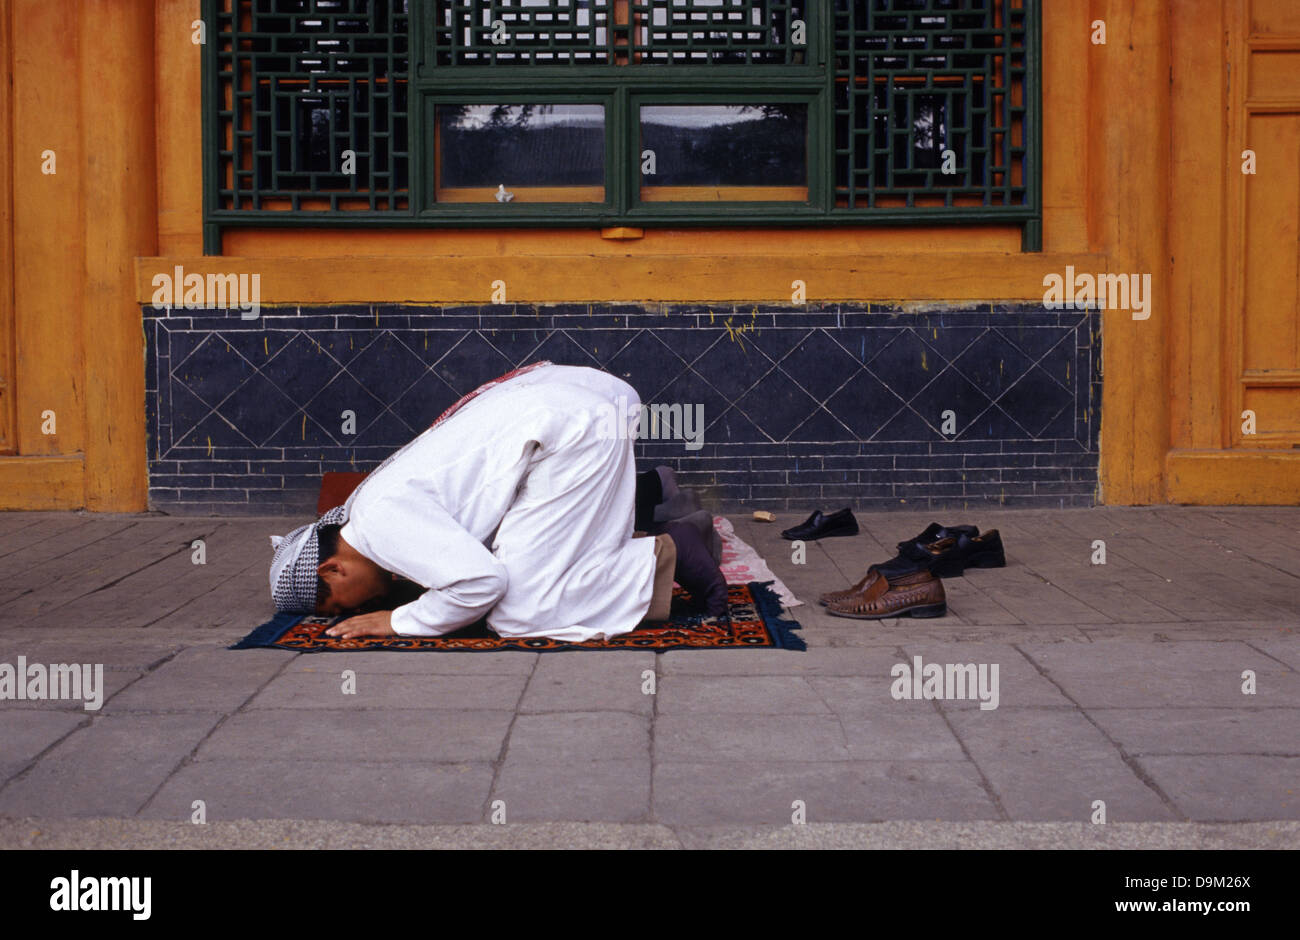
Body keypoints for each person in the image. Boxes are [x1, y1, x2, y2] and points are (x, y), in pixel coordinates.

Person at [268, 363, 727, 642]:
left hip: (572, 432)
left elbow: (480, 584)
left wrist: (398, 620)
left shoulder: (380, 525)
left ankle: (671, 550)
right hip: (577, 414)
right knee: (537, 560)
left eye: (339, 608)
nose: (354, 613)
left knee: (522, 611)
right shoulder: (368, 509)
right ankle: (651, 500)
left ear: (332, 570)